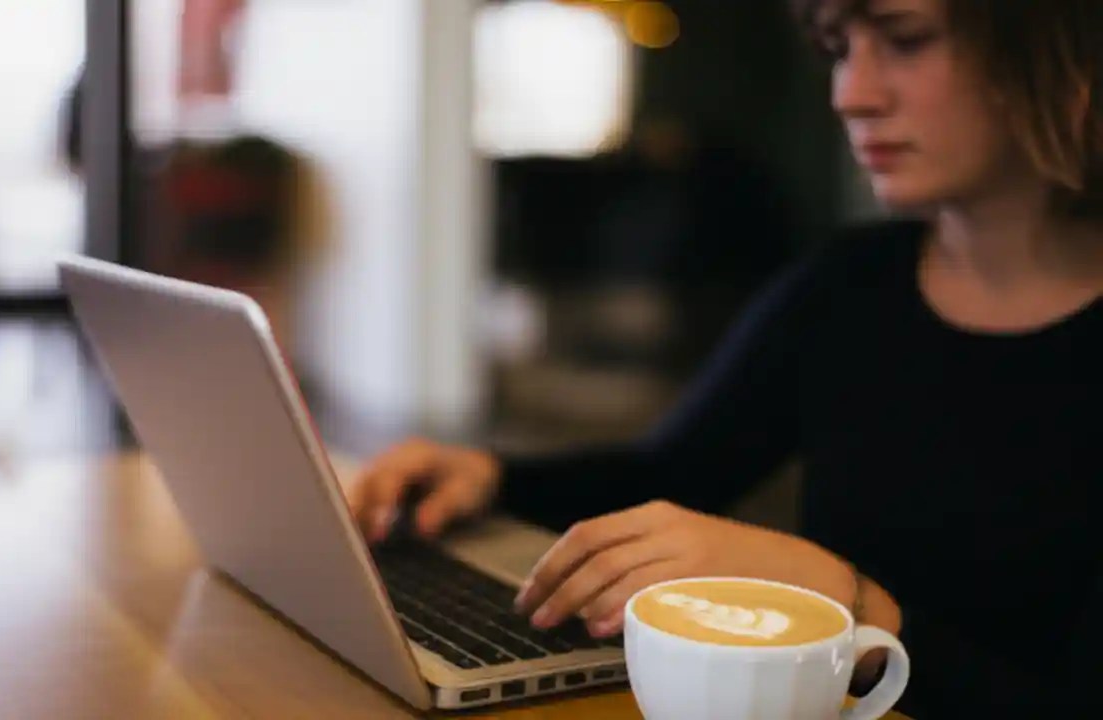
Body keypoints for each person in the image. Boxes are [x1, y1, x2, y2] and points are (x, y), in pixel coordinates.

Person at [345, 0, 1102, 716]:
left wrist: (853, 608)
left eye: (905, 39)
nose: (851, 94)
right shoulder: (847, 284)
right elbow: (669, 477)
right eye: (839, 49)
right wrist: (492, 477)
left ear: (1062, 48)